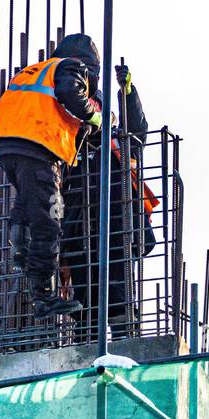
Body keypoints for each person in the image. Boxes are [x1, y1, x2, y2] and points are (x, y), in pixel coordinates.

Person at [0, 33, 103, 321]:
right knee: (50, 221)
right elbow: (71, 94)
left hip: (6, 143)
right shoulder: (71, 67)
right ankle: (44, 297)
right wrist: (94, 117)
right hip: (38, 145)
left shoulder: (35, 70)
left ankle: (21, 248)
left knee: (27, 202)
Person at [62, 63, 159, 339]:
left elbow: (137, 129)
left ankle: (125, 344)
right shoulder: (73, 146)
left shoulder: (119, 142)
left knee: (118, 295)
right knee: (85, 304)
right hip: (82, 237)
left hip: (118, 233)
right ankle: (85, 349)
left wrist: (127, 92)